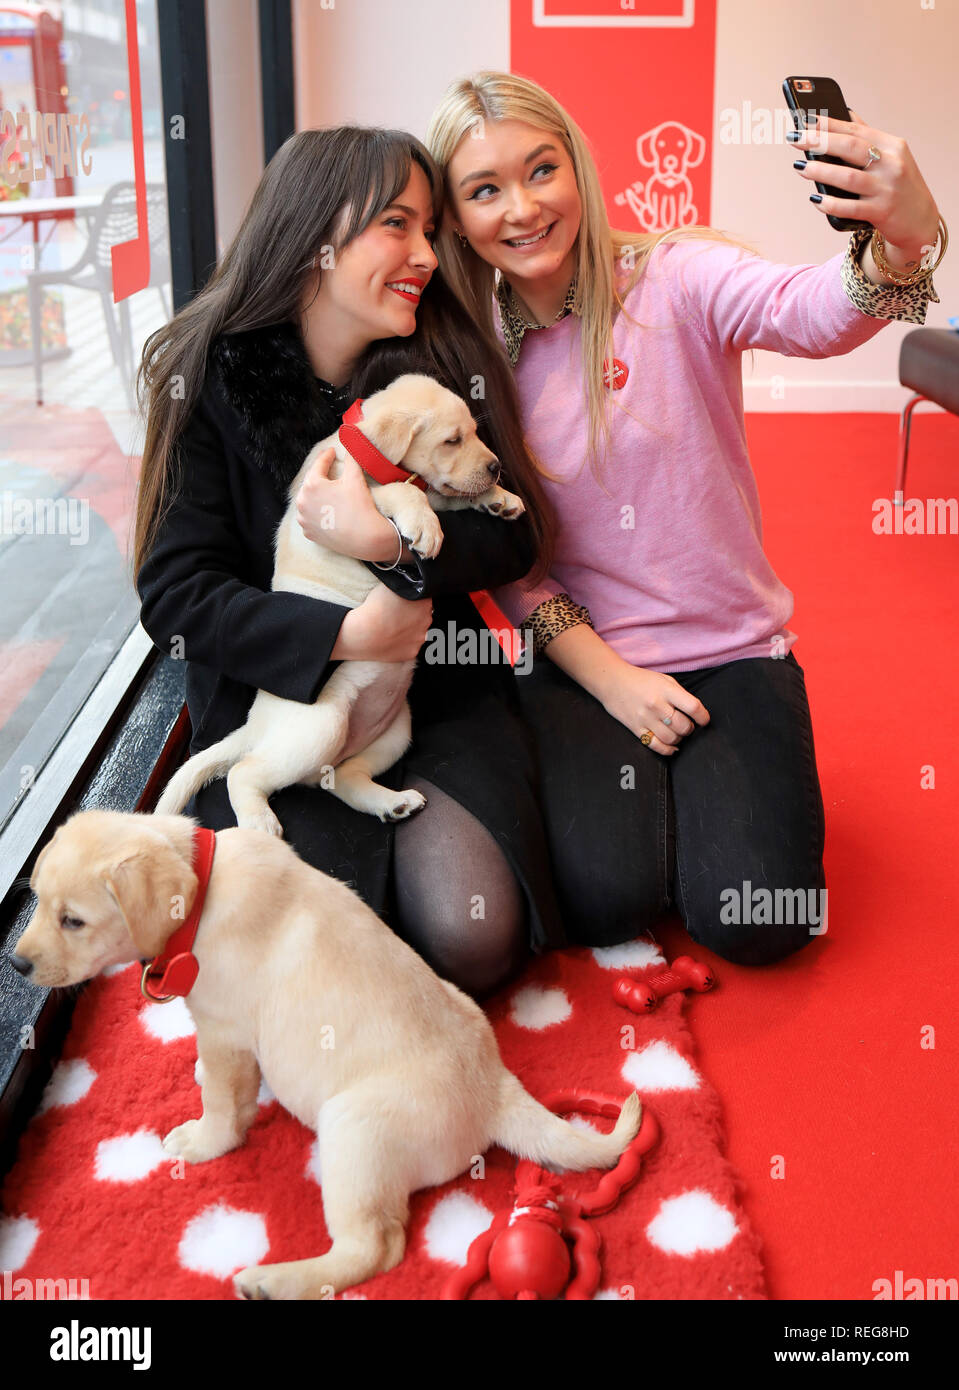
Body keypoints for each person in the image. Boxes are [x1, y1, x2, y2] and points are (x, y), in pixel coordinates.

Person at [414, 71, 945, 966]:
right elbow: (504, 554)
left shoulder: (673, 275)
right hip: (585, 654)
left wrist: (904, 237)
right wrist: (612, 680)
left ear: (576, 167)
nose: (522, 208)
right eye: (484, 190)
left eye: (540, 170)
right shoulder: (464, 351)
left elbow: (808, 315)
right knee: (599, 901)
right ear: (456, 217)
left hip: (729, 644)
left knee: (758, 922)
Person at [132, 125, 569, 997]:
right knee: (315, 972)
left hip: (438, 690)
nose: (427, 256)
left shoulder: (438, 356)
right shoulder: (209, 377)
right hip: (282, 702)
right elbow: (179, 595)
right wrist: (348, 630)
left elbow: (516, 532)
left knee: (471, 934)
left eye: (428, 231)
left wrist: (387, 550)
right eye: (397, 226)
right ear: (315, 233)